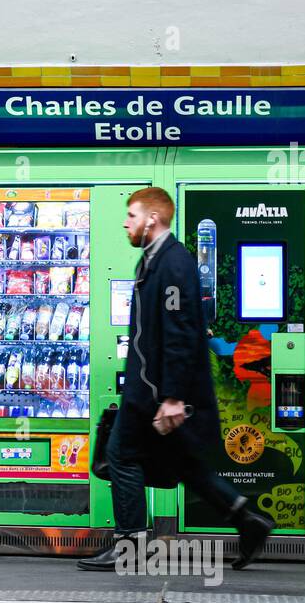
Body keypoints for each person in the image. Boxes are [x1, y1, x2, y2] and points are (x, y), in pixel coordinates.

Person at [78, 187, 274, 571]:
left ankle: (128, 547)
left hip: (154, 393)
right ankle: (249, 520)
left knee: (120, 456)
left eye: (131, 215)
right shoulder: (155, 260)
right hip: (154, 389)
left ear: (152, 219)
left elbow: (180, 332)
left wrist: (170, 397)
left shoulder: (172, 263)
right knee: (185, 466)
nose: (125, 222)